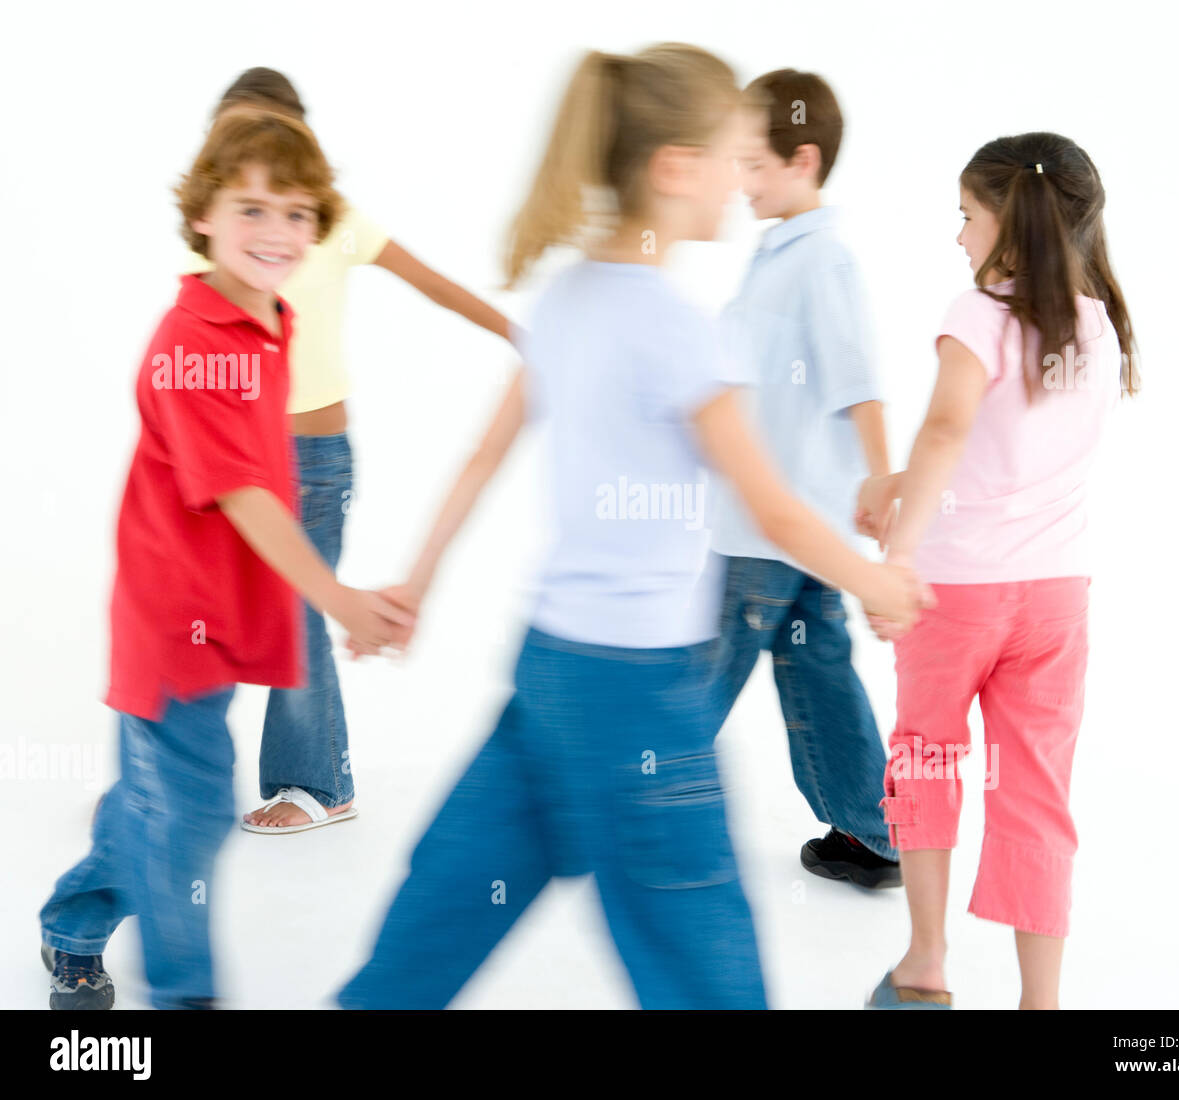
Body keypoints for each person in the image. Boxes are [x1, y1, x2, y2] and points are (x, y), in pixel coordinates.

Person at [336, 43, 927, 1010]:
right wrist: (876, 584)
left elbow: (484, 457)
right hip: (640, 700)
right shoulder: (676, 324)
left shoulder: (568, 296)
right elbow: (773, 504)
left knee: (434, 923)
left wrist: (414, 583)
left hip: (546, 675)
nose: (740, 183)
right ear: (673, 169)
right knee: (706, 965)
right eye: (730, 156)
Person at [40, 107, 413, 1010]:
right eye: (250, 209)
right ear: (203, 214)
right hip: (174, 623)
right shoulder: (195, 345)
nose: (276, 232)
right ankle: (183, 993)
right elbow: (245, 495)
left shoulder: (270, 320)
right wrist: (339, 597)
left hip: (224, 614)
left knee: (156, 801)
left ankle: (72, 926)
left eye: (294, 212)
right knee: (197, 812)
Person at [186, 68, 515, 834]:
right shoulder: (228, 235)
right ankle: (172, 778)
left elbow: (432, 284)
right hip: (232, 461)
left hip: (311, 461)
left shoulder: (329, 221)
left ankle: (318, 784)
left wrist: (519, 332)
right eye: (228, 138)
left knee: (295, 610)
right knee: (204, 614)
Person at [861, 132, 1138, 1010]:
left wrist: (898, 551)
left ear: (1010, 221)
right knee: (1036, 791)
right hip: (1056, 601)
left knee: (927, 760)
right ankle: (1041, 1003)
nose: (958, 237)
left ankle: (927, 964)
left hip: (955, 593)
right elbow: (1014, 448)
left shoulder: (977, 313)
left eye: (967, 216)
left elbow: (950, 429)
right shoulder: (1097, 326)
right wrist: (903, 481)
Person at [708, 69, 900, 888]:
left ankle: (629, 806)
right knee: (817, 668)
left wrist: (884, 480)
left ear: (804, 160)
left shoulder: (820, 262)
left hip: (772, 524)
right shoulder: (776, 255)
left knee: (697, 668)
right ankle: (876, 834)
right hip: (788, 522)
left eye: (755, 163)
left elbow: (859, 380)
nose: (740, 181)